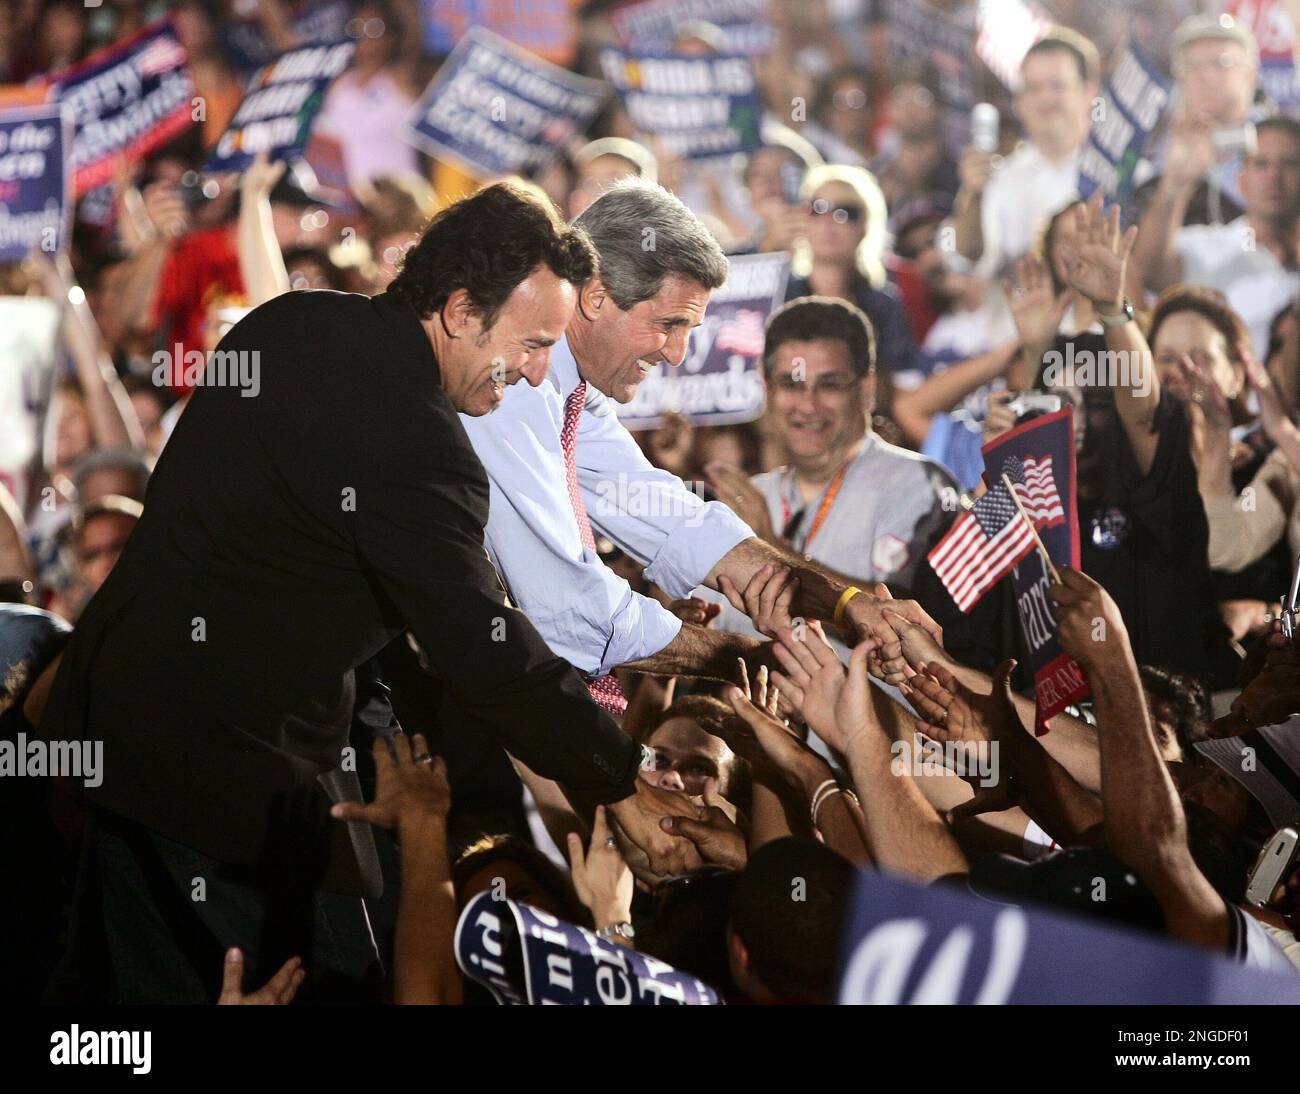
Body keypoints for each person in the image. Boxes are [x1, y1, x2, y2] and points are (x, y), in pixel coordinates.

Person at [37, 181, 697, 1004]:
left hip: (116, 743)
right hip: (219, 800)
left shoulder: (287, 324)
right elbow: (485, 648)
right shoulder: (425, 450)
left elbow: (305, 578)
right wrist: (618, 774)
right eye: (533, 345)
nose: (535, 375)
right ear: (461, 311)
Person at [459, 178, 944, 726]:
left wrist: (848, 605)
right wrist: (750, 657)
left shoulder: (574, 393)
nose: (677, 353)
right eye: (668, 325)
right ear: (595, 296)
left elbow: (677, 522)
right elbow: (568, 606)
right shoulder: (511, 385)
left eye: (689, 329)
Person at [1134, 115, 1300, 356]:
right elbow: (1148, 271)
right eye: (1261, 164)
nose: (1274, 177)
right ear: (1241, 180)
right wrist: (1174, 183)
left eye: (1290, 164)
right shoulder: (1209, 247)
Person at [944, 27, 1099, 279]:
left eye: (1057, 85)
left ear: (1090, 92)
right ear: (1020, 101)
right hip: (1014, 315)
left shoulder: (1122, 171)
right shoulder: (999, 178)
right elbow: (958, 258)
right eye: (1033, 88)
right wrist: (973, 194)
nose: (1046, 99)